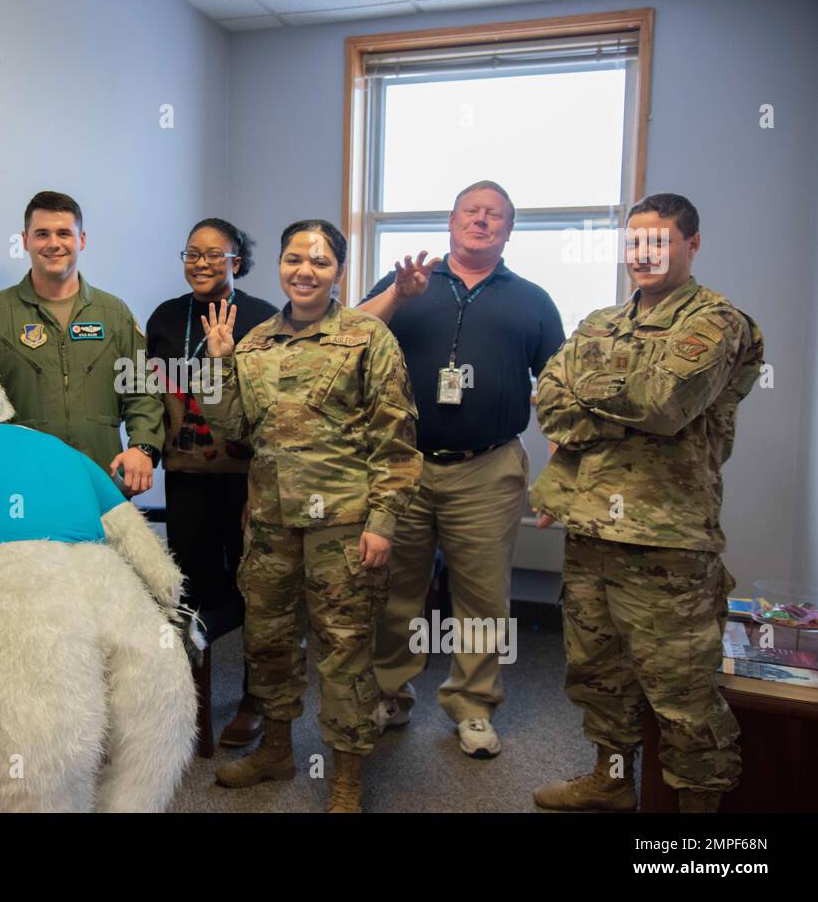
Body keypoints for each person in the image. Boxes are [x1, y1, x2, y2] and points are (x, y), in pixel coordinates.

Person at [0, 324, 198, 812]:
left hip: (91, 567)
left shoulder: (48, 444)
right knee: (50, 724)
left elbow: (123, 525)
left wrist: (166, 590)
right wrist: (168, 594)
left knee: (160, 690)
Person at [530, 193, 763, 813]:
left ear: (691, 244)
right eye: (633, 241)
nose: (643, 254)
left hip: (668, 539)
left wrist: (589, 396)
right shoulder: (599, 323)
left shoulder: (717, 322)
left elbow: (665, 405)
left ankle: (696, 824)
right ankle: (609, 781)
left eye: (658, 241)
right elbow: (548, 401)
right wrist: (612, 400)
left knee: (682, 692)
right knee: (599, 677)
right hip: (591, 532)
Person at [202, 219, 422, 812]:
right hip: (271, 527)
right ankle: (276, 750)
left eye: (320, 262)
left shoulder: (367, 336)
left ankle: (347, 778)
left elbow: (396, 440)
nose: (305, 271)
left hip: (344, 529)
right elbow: (232, 431)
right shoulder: (251, 344)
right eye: (295, 259)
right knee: (269, 644)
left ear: (339, 272)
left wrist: (383, 521)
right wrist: (218, 366)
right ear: (278, 265)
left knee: (345, 653)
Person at [356, 180, 564, 758]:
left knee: (483, 597)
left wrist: (559, 473)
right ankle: (391, 694)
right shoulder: (408, 281)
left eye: (495, 215)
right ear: (451, 220)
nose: (482, 220)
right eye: (472, 211)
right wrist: (398, 296)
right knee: (396, 589)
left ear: (508, 230)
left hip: (489, 468)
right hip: (405, 466)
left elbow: (558, 390)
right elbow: (349, 339)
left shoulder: (532, 300)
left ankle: (472, 706)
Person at [145, 218, 279, 749]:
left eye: (214, 255)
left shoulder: (265, 319)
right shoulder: (164, 317)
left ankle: (256, 697)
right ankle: (193, 695)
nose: (201, 263)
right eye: (192, 254)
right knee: (197, 587)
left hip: (248, 480)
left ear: (237, 262)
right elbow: (149, 395)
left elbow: (274, 410)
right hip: (186, 478)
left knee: (259, 589)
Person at [0, 190, 164, 494]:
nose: (53, 243)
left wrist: (142, 448)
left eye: (64, 233)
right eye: (42, 233)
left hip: (102, 481)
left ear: (81, 240)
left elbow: (142, 391)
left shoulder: (113, 313)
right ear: (25, 240)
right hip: (23, 483)